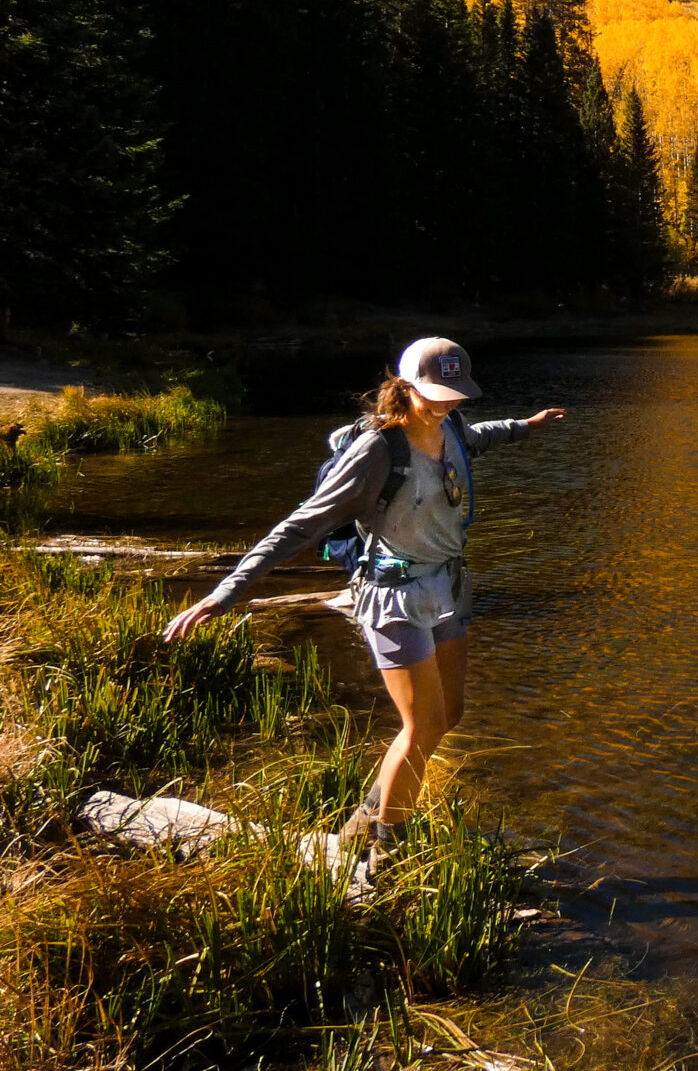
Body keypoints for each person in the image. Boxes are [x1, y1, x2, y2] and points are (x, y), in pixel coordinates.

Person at [163, 337, 566, 851]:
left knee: (450, 715)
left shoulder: (453, 428)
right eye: (435, 392)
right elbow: (299, 526)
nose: (446, 402)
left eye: (455, 392)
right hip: (392, 596)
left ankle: (368, 816)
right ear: (404, 386)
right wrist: (226, 593)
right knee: (421, 726)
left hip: (447, 586)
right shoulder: (379, 450)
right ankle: (387, 847)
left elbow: (479, 437)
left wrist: (527, 426)